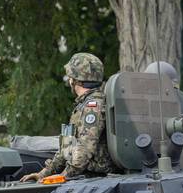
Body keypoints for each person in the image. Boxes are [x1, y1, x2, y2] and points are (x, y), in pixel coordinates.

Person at [21, 53, 114, 182]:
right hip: (86, 177)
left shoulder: (93, 106)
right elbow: (67, 147)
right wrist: (43, 173)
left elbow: (84, 149)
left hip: (94, 178)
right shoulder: (84, 105)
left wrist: (64, 176)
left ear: (74, 80)